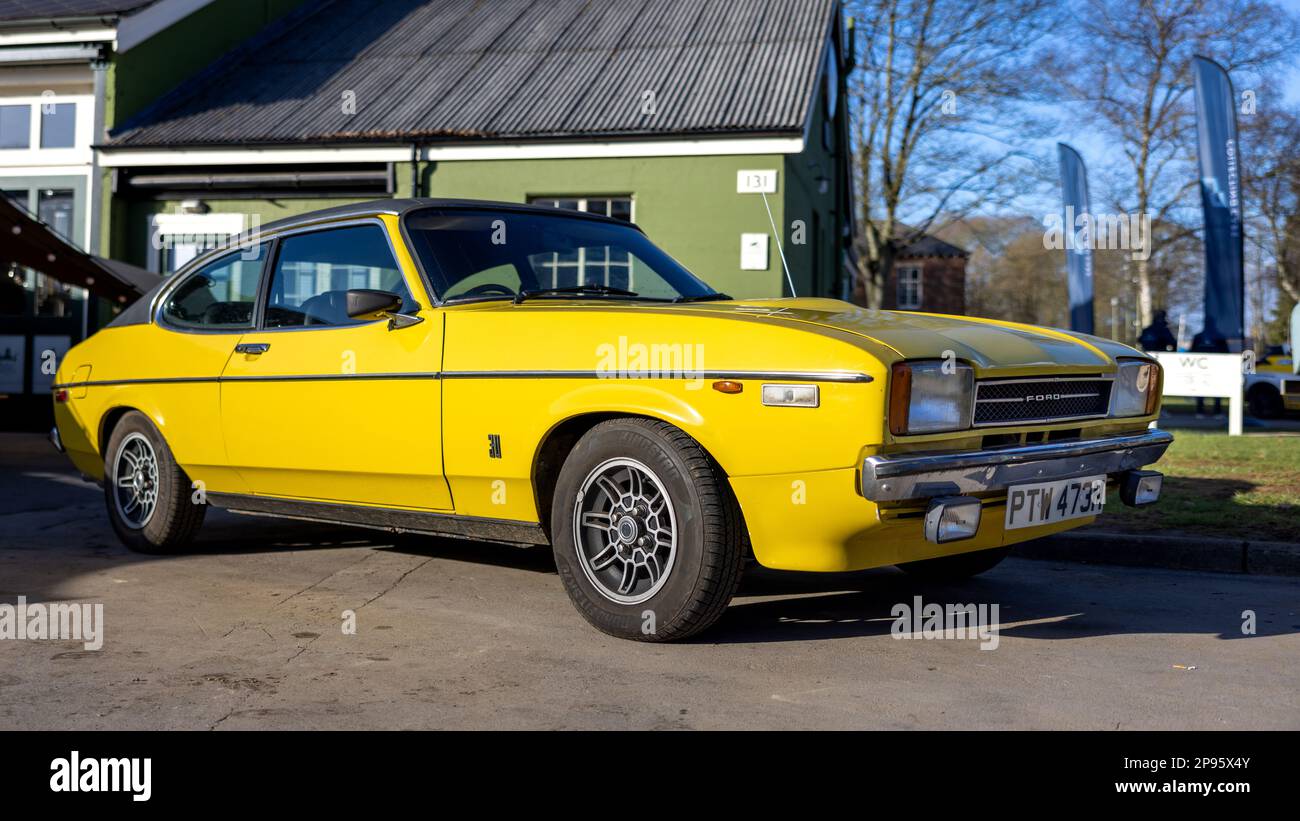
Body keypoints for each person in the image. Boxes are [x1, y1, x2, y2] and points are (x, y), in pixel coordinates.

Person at [1191, 319, 1229, 416]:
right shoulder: (1200, 337)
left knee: (1214, 390)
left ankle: (1209, 411)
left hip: (1213, 368)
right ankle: (1203, 411)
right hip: (1202, 368)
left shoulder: (1218, 338)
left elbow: (1226, 353)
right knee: (1202, 390)